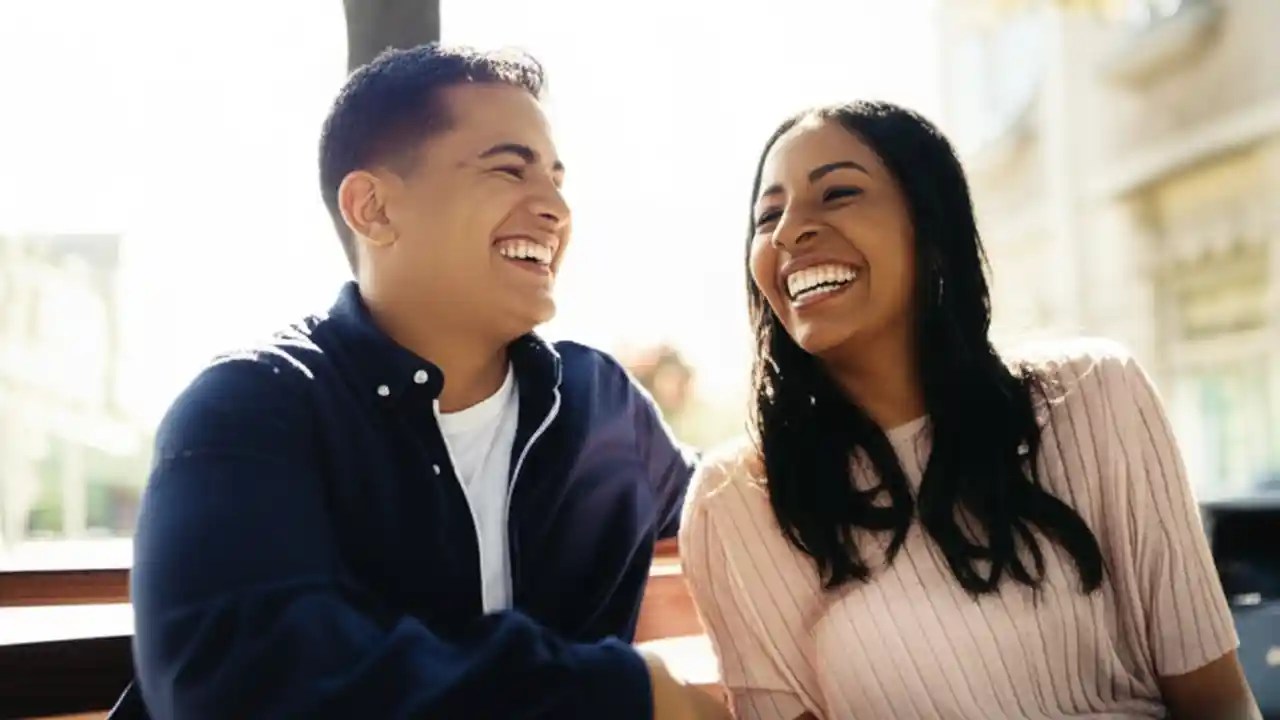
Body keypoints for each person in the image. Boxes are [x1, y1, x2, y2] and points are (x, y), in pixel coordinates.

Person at [129, 44, 727, 720]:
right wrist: (629, 694)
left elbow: (739, 499)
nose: (555, 208)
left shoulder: (599, 404)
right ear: (374, 209)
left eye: (558, 180)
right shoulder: (252, 408)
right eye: (509, 169)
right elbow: (245, 685)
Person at [680, 101, 1262, 719]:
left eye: (839, 193)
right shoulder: (735, 501)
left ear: (930, 230)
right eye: (767, 215)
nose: (790, 230)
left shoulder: (1099, 393)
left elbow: (1219, 701)